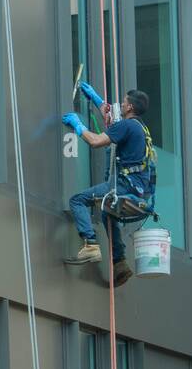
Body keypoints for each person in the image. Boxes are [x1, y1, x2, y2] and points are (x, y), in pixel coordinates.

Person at [61, 84, 154, 287]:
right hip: (138, 190)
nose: (120, 104)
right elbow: (115, 120)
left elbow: (95, 141)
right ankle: (119, 263)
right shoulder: (140, 128)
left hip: (123, 186)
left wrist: (78, 126)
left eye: (123, 102)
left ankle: (91, 244)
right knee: (107, 213)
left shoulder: (127, 126)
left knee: (77, 201)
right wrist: (97, 100)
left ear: (129, 106)